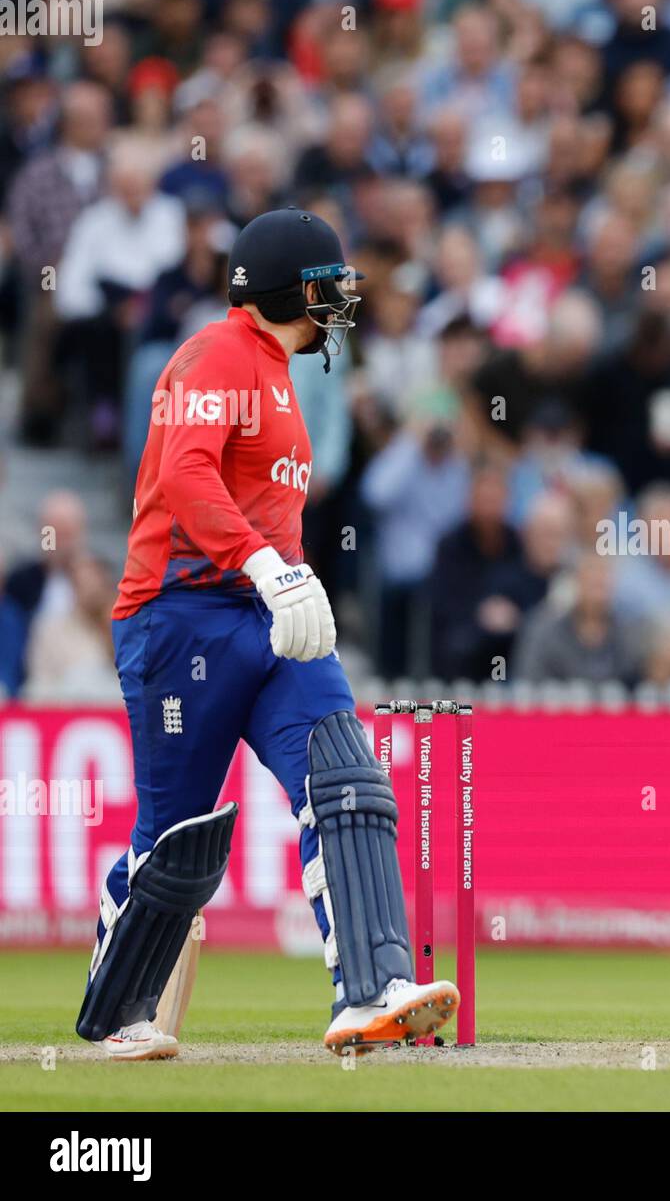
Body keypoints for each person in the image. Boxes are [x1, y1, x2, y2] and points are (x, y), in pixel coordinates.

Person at [77, 208, 459, 1061]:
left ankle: (373, 988)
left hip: (263, 609)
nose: (339, 300)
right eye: (328, 284)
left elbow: (256, 502)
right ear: (287, 285)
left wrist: (289, 574)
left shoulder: (282, 371)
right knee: (177, 840)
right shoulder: (216, 352)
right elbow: (183, 473)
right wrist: (264, 566)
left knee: (347, 778)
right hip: (180, 616)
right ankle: (117, 1009)